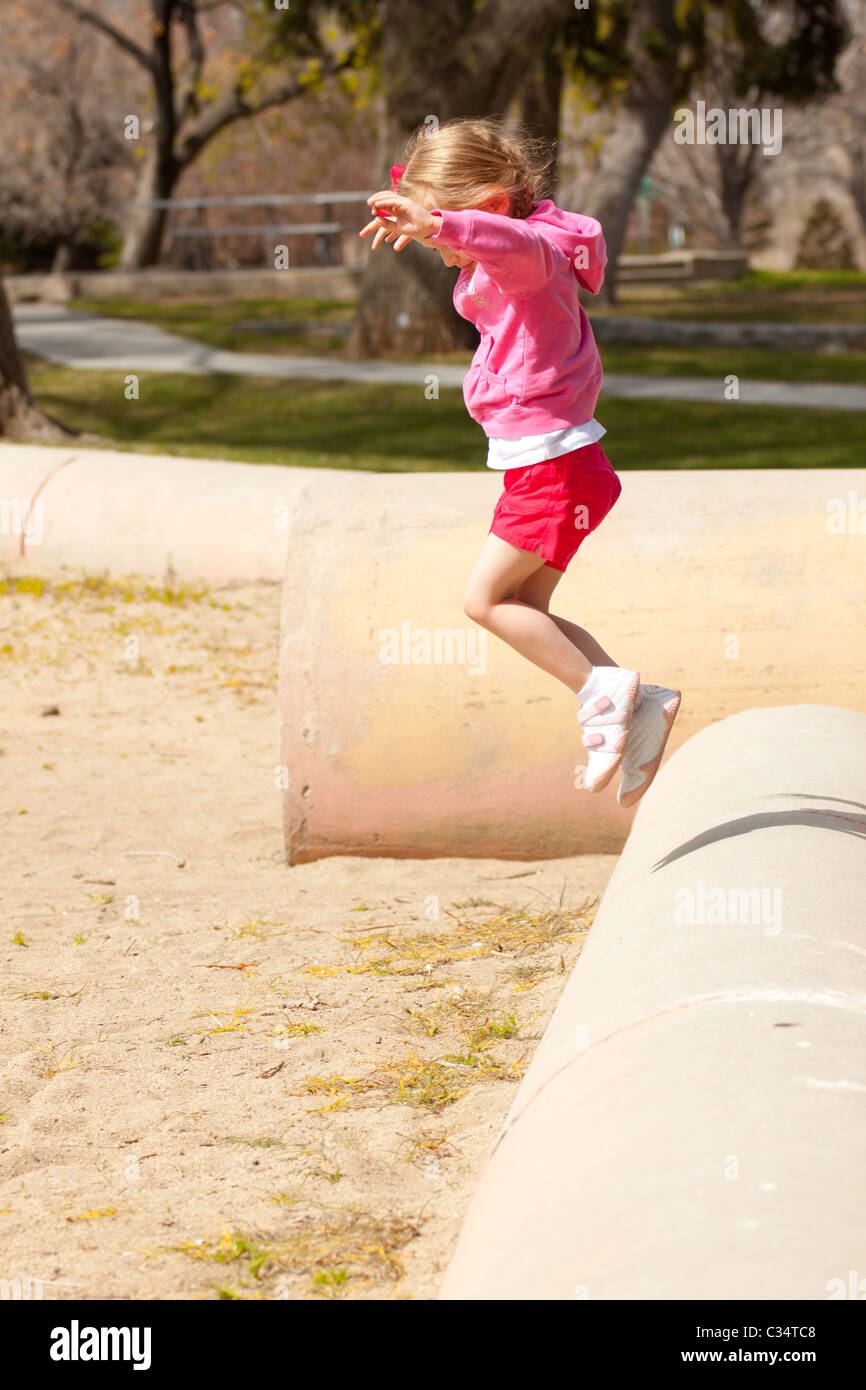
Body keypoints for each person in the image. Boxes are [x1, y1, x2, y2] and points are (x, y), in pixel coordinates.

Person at [361, 117, 680, 806]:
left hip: (553, 468)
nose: (435, 243)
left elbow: (510, 241)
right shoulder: (522, 257)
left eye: (443, 224)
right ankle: (642, 702)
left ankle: (600, 695)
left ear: (494, 207)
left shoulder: (527, 257)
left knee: (482, 601)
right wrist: (438, 225)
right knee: (526, 607)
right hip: (566, 466)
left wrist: (443, 223)